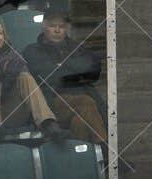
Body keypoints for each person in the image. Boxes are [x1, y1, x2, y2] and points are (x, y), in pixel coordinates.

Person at [0, 17, 66, 143]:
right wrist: (2, 72)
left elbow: (20, 83)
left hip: (9, 112)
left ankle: (47, 123)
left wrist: (9, 76)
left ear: (5, 37)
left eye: (0, 32)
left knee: (25, 76)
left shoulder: (14, 57)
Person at [22, 12, 106, 146]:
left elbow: (93, 71)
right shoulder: (32, 50)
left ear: (66, 28)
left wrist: (61, 64)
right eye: (52, 26)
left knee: (80, 122)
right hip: (52, 103)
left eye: (61, 26)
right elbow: (47, 75)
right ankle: (107, 151)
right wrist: (76, 74)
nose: (57, 30)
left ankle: (79, 161)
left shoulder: (77, 48)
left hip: (80, 104)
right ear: (44, 27)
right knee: (86, 102)